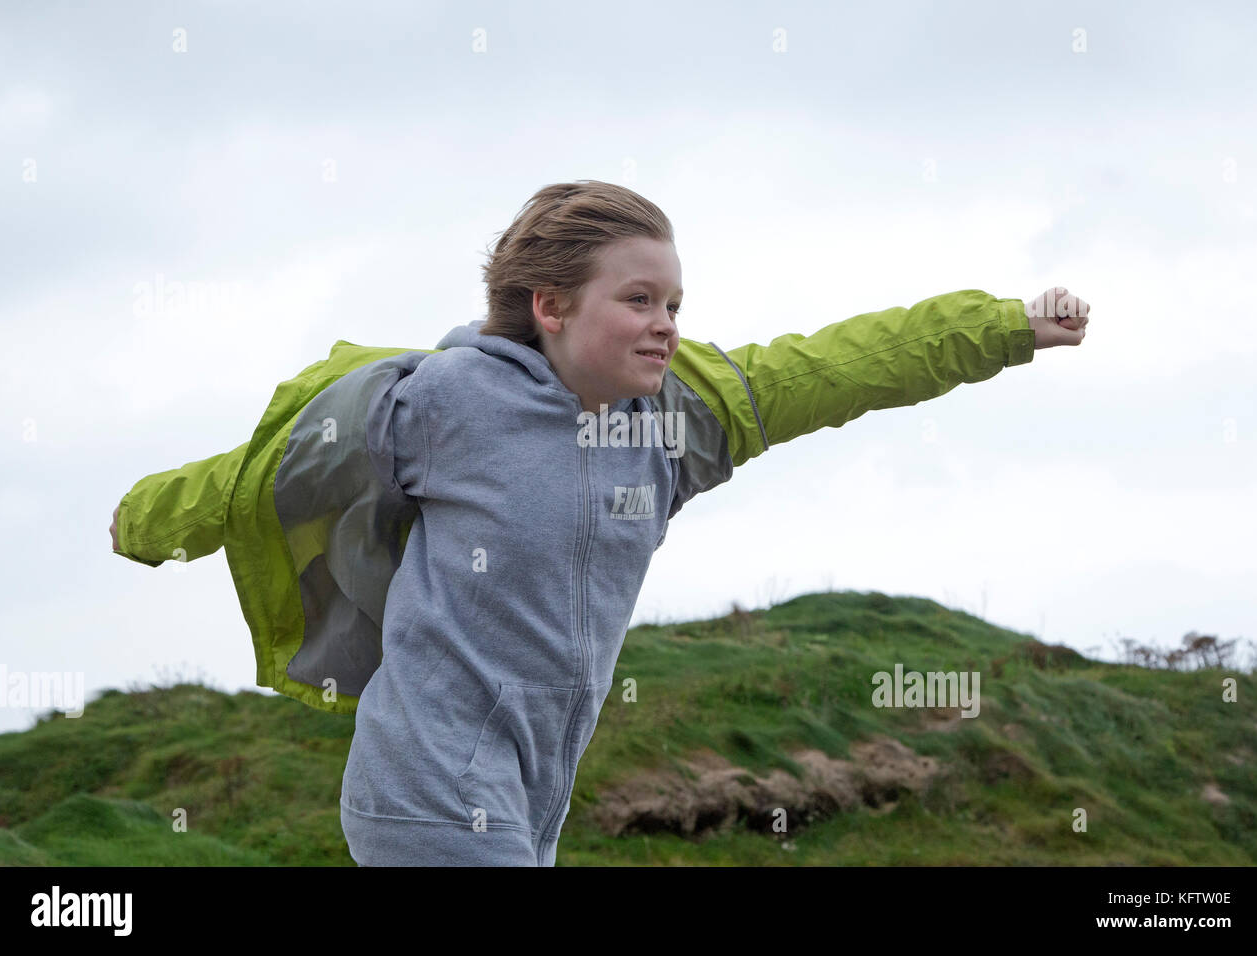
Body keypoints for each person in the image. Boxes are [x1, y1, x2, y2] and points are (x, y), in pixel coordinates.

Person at [110, 180, 1090, 866]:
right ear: (548, 303)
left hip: (535, 795)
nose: (666, 321)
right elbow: (272, 468)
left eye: (673, 300)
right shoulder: (446, 401)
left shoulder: (674, 426)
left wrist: (1006, 325)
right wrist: (146, 520)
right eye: (638, 299)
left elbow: (839, 363)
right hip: (426, 784)